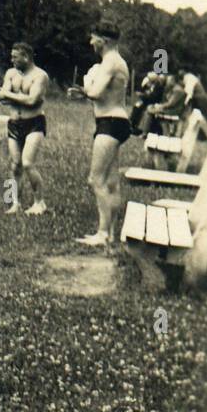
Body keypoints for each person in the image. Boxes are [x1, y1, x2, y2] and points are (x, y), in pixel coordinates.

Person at [66, 23, 131, 247]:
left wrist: (86, 83)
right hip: (118, 121)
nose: (91, 42)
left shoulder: (109, 61)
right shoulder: (119, 61)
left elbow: (95, 92)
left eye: (93, 38)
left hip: (110, 123)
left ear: (104, 40)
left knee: (95, 180)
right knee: (112, 182)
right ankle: (111, 233)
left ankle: (102, 234)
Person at [0, 42, 49, 215]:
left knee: (27, 163)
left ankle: (39, 203)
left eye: (15, 57)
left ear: (26, 57)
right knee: (14, 165)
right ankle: (13, 203)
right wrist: (18, 97)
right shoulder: (11, 73)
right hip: (14, 123)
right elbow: (1, 97)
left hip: (34, 123)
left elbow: (32, 101)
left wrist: (10, 95)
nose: (11, 60)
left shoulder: (40, 75)